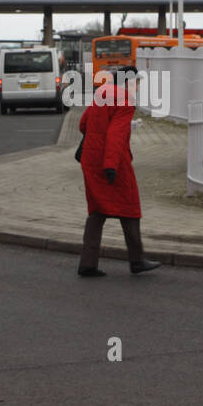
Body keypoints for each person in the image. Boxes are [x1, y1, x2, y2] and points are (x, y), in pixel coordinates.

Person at [76, 64, 160, 277]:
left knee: (97, 210)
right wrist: (111, 166)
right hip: (111, 161)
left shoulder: (101, 93)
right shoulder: (125, 100)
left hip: (90, 159)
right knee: (130, 207)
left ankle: (88, 263)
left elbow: (82, 124)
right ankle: (137, 260)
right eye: (137, 83)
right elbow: (116, 136)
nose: (138, 88)